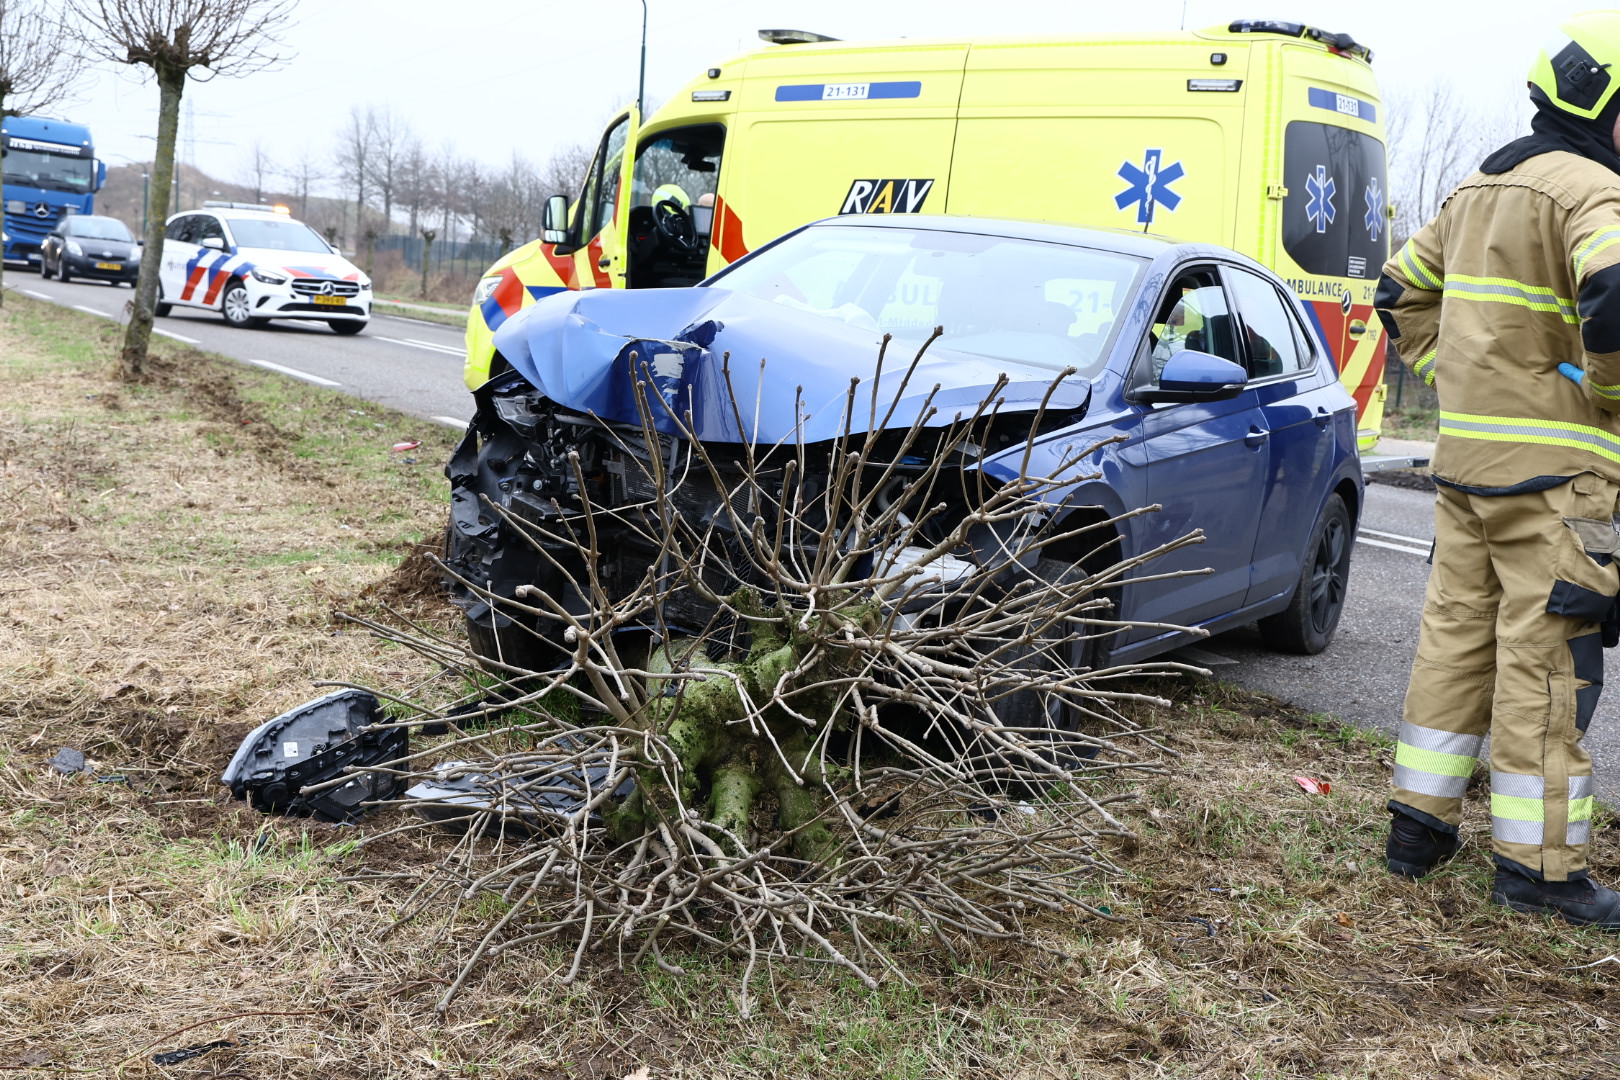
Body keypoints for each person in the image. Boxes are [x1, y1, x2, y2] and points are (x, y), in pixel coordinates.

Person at [1376, 11, 1620, 928]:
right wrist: (1604, 394)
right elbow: (1617, 292)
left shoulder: (1480, 184)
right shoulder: (1595, 192)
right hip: (1557, 479)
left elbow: (1397, 292)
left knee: (1452, 643)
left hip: (1466, 468)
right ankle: (1540, 872)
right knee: (1545, 666)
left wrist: (1461, 384)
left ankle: (1417, 833)